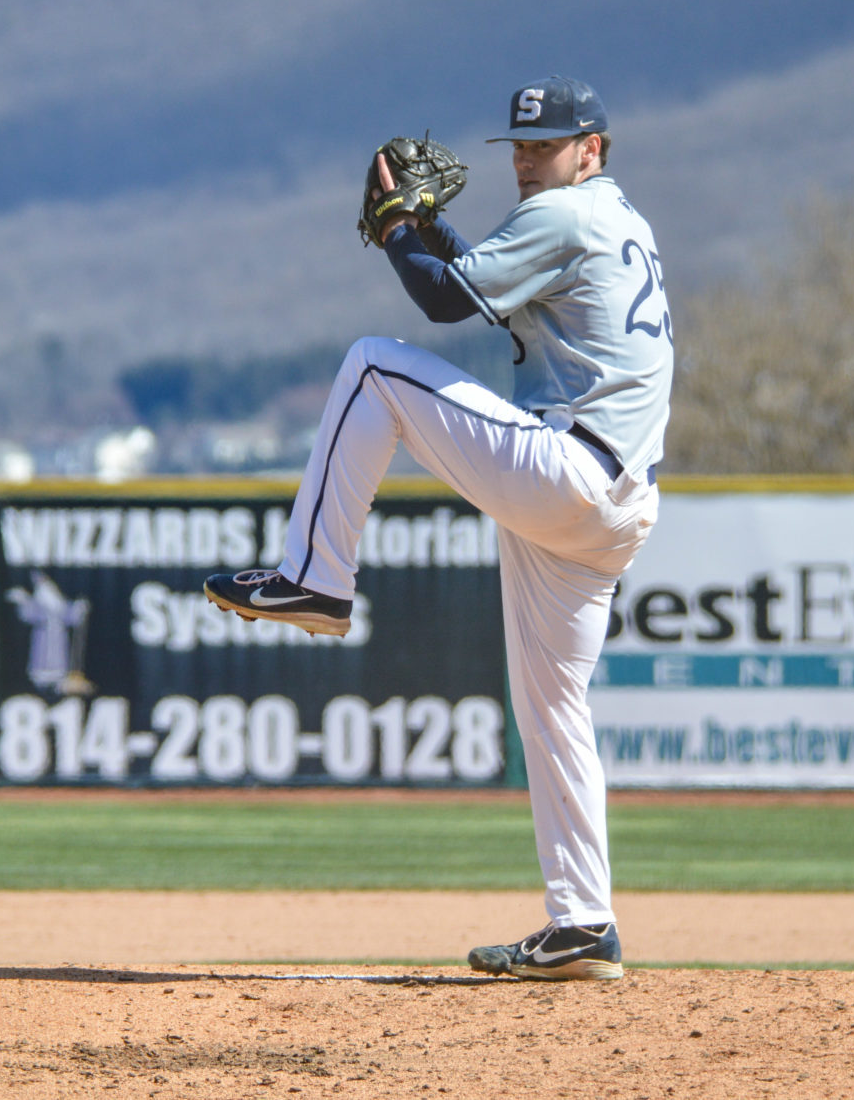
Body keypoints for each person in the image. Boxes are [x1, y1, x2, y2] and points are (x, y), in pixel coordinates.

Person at [204, 75, 673, 981]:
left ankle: (318, 578)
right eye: (522, 147)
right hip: (615, 506)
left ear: (594, 148)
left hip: (570, 471)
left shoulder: (567, 214)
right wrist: (422, 233)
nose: (531, 161)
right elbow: (481, 285)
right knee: (552, 711)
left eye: (549, 144)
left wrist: (395, 229)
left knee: (375, 367)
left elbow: (443, 303)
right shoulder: (616, 221)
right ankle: (583, 925)